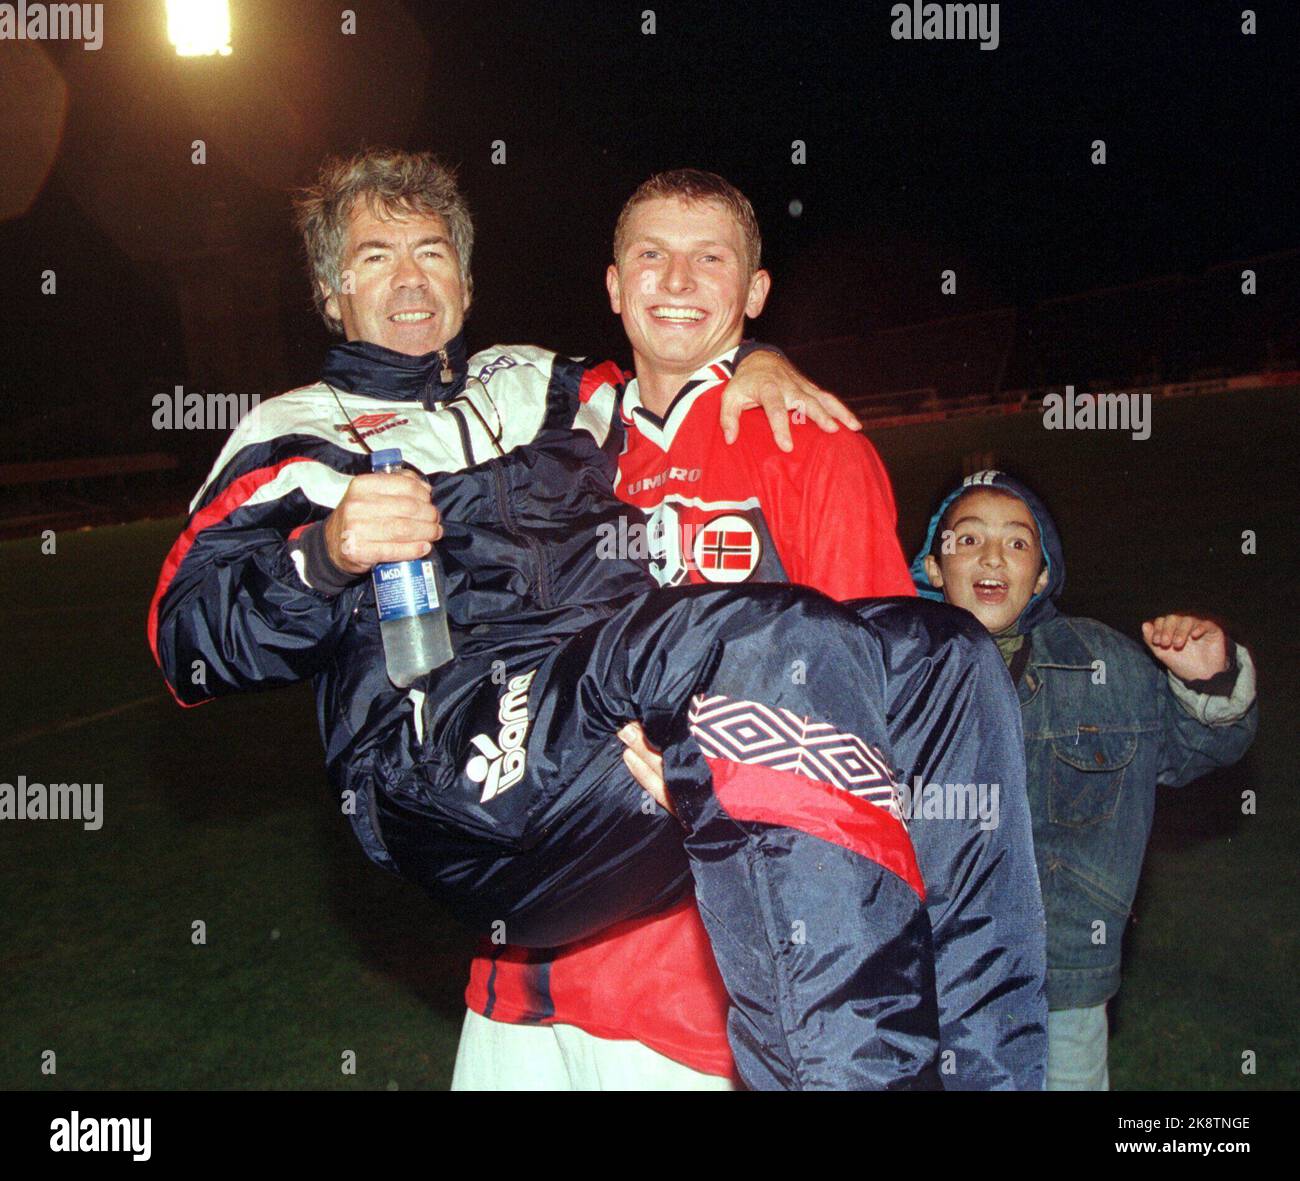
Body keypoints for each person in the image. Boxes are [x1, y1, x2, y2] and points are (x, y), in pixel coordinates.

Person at [149, 148, 951, 1090]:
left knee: (845, 672)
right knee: (724, 648)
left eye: (433, 251)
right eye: (375, 257)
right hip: (434, 782)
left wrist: (760, 357)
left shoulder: (543, 388)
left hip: (610, 904)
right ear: (330, 291)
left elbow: (677, 355)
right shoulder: (286, 436)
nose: (411, 278)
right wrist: (322, 554)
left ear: (467, 276)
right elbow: (188, 644)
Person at [454, 171, 1047, 1091]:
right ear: (614, 286)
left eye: (710, 259)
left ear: (754, 292)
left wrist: (722, 764)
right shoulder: (545, 436)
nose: (679, 280)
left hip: (704, 988)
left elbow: (878, 729)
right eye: (652, 255)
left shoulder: (813, 446)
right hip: (526, 963)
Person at [913, 469, 1258, 1089]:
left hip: (1062, 984)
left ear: (1043, 574)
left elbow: (1200, 747)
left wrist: (1209, 680)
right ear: (934, 566)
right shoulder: (894, 664)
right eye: (966, 540)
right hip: (930, 980)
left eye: (1018, 543)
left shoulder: (1105, 665)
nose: (992, 555)